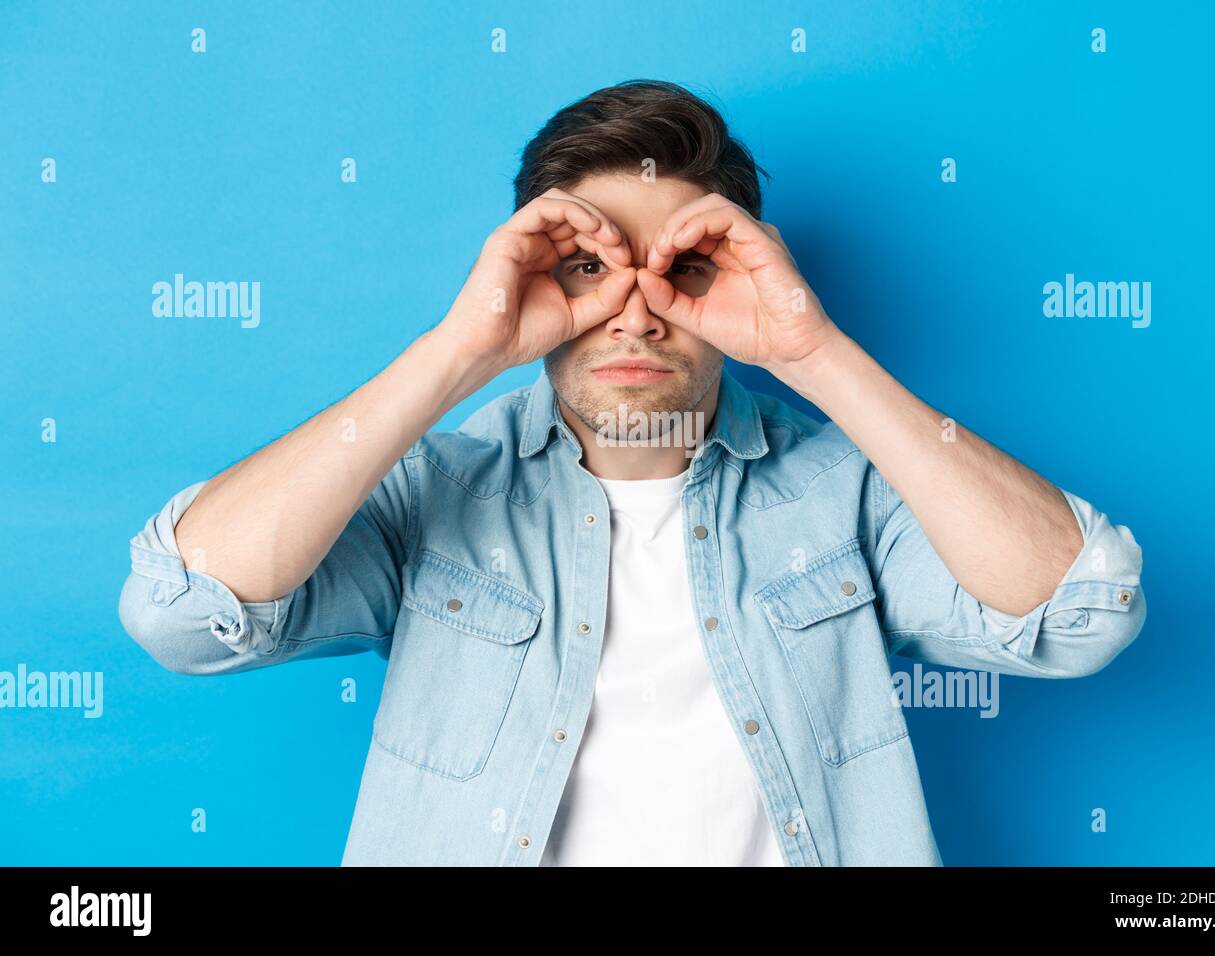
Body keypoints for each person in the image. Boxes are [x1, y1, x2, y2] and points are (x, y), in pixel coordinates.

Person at [118, 80, 1146, 866]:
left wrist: (810, 349)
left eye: (684, 268)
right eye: (589, 269)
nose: (638, 309)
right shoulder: (433, 487)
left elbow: (1081, 609)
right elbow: (180, 606)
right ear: (529, 272)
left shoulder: (851, 490)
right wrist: (459, 352)